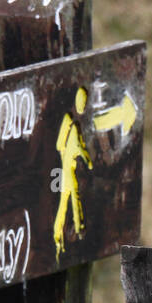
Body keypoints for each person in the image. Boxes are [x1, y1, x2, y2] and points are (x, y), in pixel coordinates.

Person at [54, 86, 92, 258]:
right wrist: (88, 162)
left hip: (67, 170)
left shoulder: (74, 124)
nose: (83, 105)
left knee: (70, 201)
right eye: (81, 101)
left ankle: (76, 229)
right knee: (65, 202)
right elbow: (75, 148)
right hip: (65, 170)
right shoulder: (71, 123)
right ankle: (62, 233)